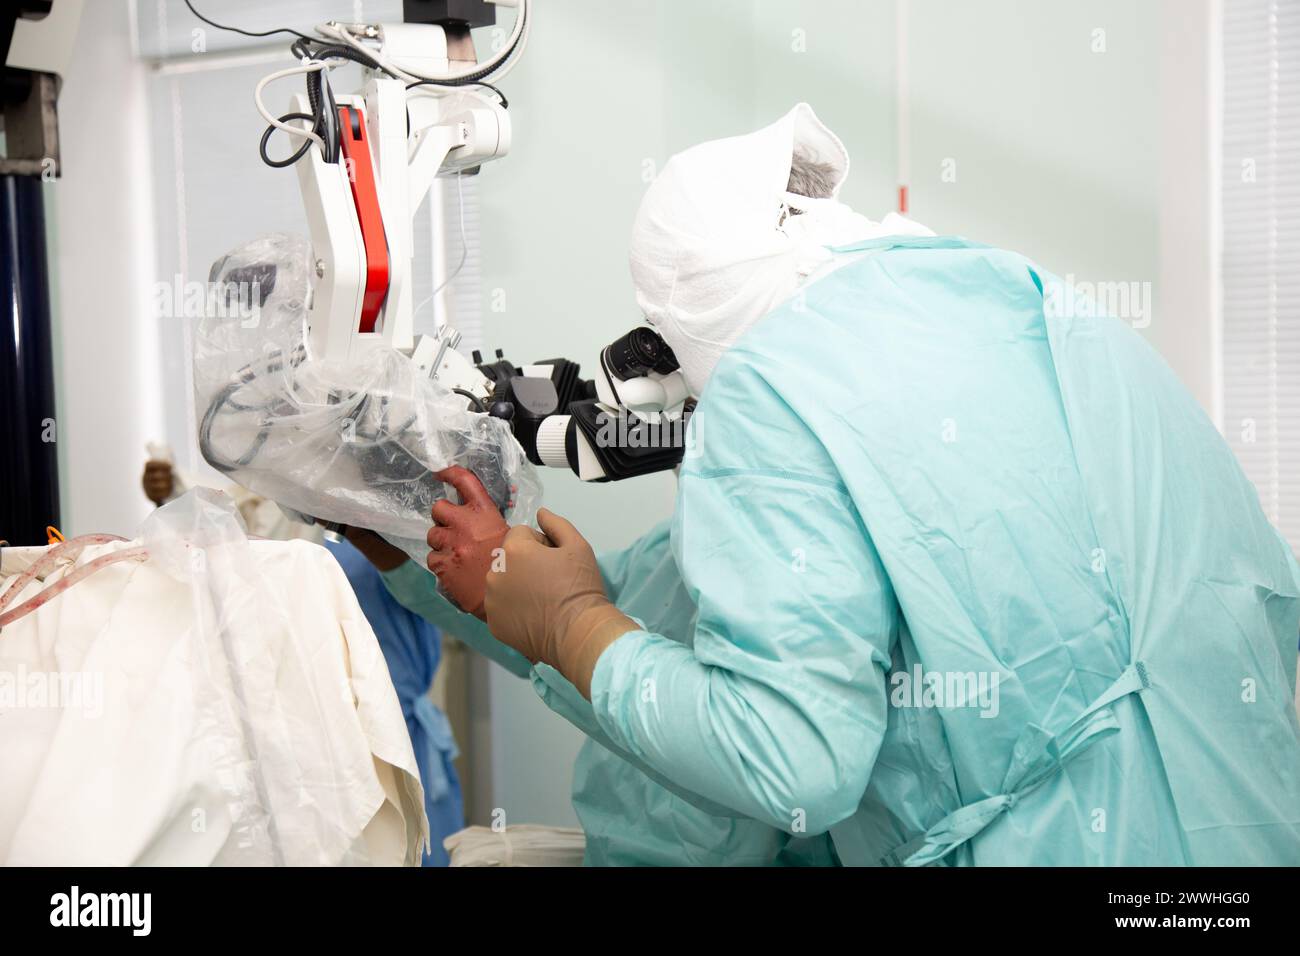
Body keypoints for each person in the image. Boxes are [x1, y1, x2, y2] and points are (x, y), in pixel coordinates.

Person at [389, 103, 1300, 866]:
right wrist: (418, 553)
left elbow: (790, 764)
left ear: (692, 332)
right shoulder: (1022, 307)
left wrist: (568, 623)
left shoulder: (775, 391)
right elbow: (678, 601)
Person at [141, 455, 464, 866]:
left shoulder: (402, 533)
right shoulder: (297, 531)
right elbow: (232, 559)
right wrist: (171, 497)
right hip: (316, 734)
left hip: (402, 732)